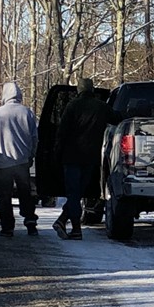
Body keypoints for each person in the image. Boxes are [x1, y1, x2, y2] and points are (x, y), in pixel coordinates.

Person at [53, 77, 119, 240]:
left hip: (71, 156)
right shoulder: (101, 107)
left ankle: (74, 228)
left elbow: (62, 132)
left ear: (79, 90)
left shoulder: (72, 106)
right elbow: (117, 118)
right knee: (78, 192)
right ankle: (64, 222)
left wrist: (57, 153)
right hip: (91, 157)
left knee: (74, 193)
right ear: (91, 90)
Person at [0, 82, 39, 237]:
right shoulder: (27, 113)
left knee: (5, 196)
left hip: (3, 162)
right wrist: (31, 155)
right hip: (22, 161)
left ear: (4, 95)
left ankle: (7, 227)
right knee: (25, 193)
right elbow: (34, 137)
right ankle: (30, 222)